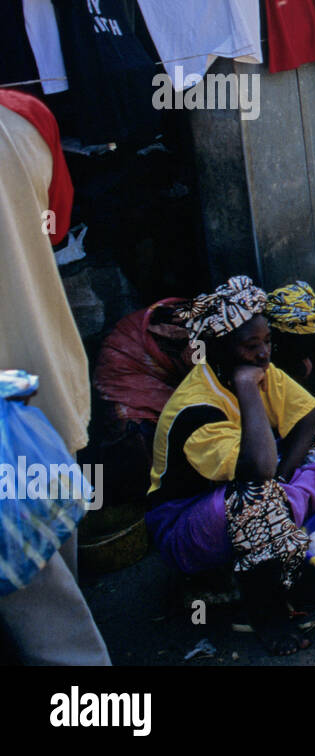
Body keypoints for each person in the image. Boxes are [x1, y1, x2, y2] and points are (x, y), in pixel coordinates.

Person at [146, 276, 315, 655]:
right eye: (251, 346)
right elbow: (258, 469)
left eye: (267, 342)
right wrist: (246, 389)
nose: (264, 355)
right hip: (188, 523)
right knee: (257, 498)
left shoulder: (257, 367)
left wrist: (287, 475)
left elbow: (309, 413)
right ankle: (267, 614)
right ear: (218, 352)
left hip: (257, 479)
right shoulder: (196, 410)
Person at [0, 91, 111, 665]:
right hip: (43, 394)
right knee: (56, 606)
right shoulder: (24, 117)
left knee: (46, 627)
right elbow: (54, 226)